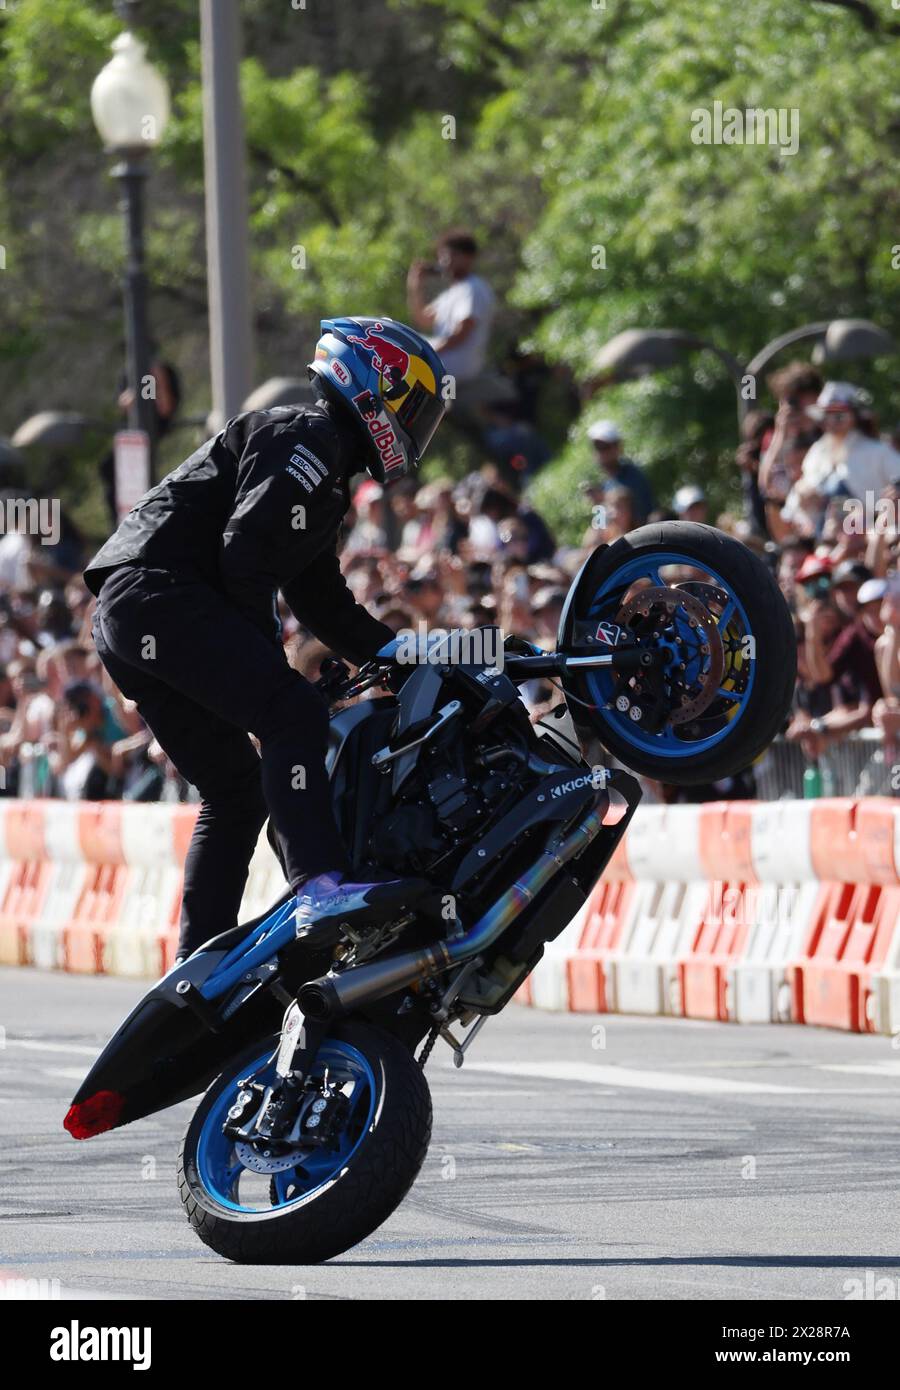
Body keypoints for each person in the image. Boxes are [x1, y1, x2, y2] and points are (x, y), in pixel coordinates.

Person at [85, 317, 447, 962]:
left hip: (134, 611)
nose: (419, 428)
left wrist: (401, 658)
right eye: (414, 408)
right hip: (155, 595)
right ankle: (318, 886)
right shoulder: (305, 436)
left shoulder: (327, 476)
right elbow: (243, 556)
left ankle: (199, 968)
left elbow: (321, 601)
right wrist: (269, 672)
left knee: (235, 792)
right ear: (376, 385)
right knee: (290, 710)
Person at [586, 420, 656, 523]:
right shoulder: (604, 483)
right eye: (597, 447)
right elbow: (600, 526)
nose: (601, 453)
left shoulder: (633, 477)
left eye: (605, 447)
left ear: (618, 447)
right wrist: (598, 505)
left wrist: (604, 499)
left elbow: (636, 521)